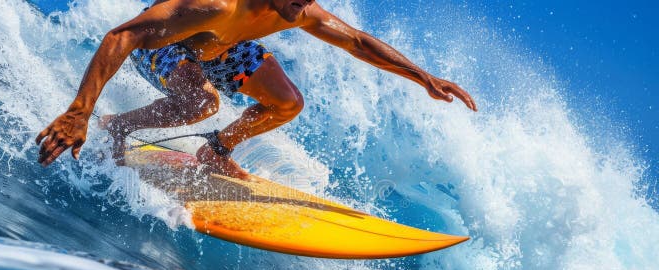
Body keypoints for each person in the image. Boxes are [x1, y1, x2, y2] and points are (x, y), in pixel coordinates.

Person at [36, 0, 477, 179]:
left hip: (226, 48)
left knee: (288, 103)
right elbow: (121, 36)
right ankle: (117, 125)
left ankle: (216, 150)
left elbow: (357, 41)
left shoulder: (296, 9)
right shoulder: (215, 4)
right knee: (202, 101)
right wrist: (79, 110)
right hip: (164, 48)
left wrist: (425, 77)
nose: (303, 7)